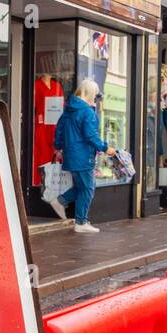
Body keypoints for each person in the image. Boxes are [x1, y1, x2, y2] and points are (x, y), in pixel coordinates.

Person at [47, 78, 116, 234]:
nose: (96, 98)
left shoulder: (69, 109)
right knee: (88, 189)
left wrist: (58, 147)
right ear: (91, 94)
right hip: (84, 157)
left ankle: (60, 201)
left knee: (81, 187)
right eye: (96, 95)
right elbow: (90, 135)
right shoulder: (86, 112)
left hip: (71, 156)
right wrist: (106, 148)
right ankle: (81, 222)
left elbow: (59, 129)